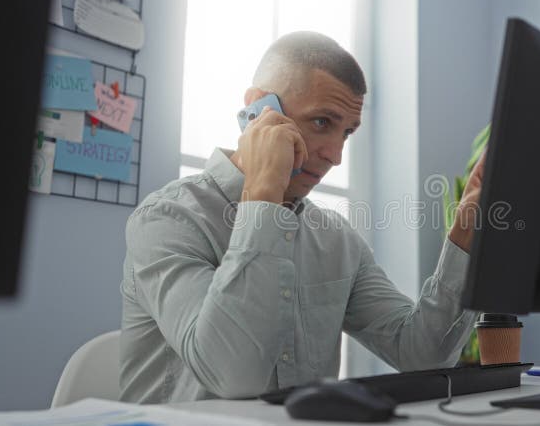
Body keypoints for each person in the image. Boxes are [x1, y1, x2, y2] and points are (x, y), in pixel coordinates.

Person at [119, 31, 486, 403]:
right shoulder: (167, 220)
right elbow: (234, 376)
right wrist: (264, 195)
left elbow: (422, 354)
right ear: (257, 110)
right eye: (322, 122)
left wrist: (466, 236)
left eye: (347, 132)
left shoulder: (337, 241)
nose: (335, 155)